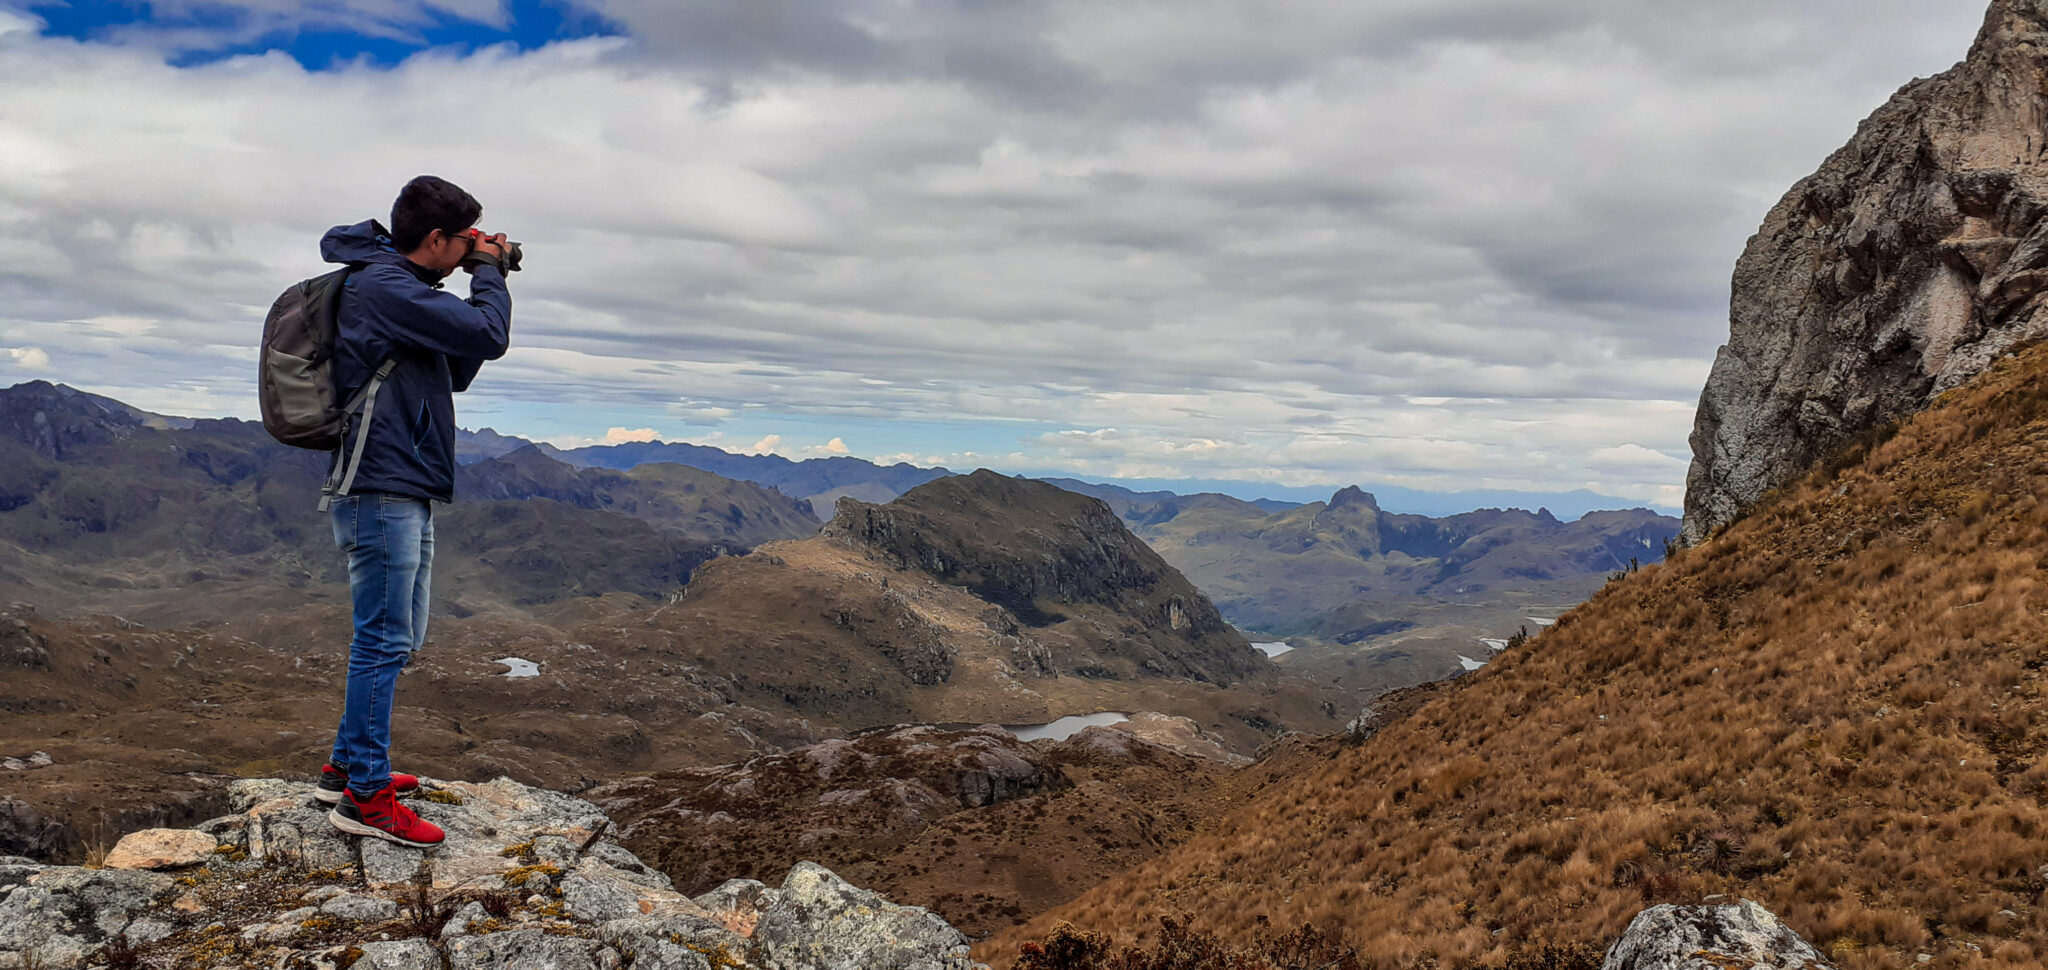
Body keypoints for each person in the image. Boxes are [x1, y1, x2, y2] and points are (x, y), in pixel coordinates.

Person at [312, 175, 512, 848]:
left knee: (394, 638)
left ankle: (344, 770)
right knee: (382, 641)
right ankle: (365, 798)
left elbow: (460, 363)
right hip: (380, 489)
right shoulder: (386, 288)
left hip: (402, 484)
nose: (469, 252)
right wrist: (491, 276)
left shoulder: (402, 293)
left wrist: (478, 283)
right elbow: (490, 335)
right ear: (436, 239)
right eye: (463, 242)